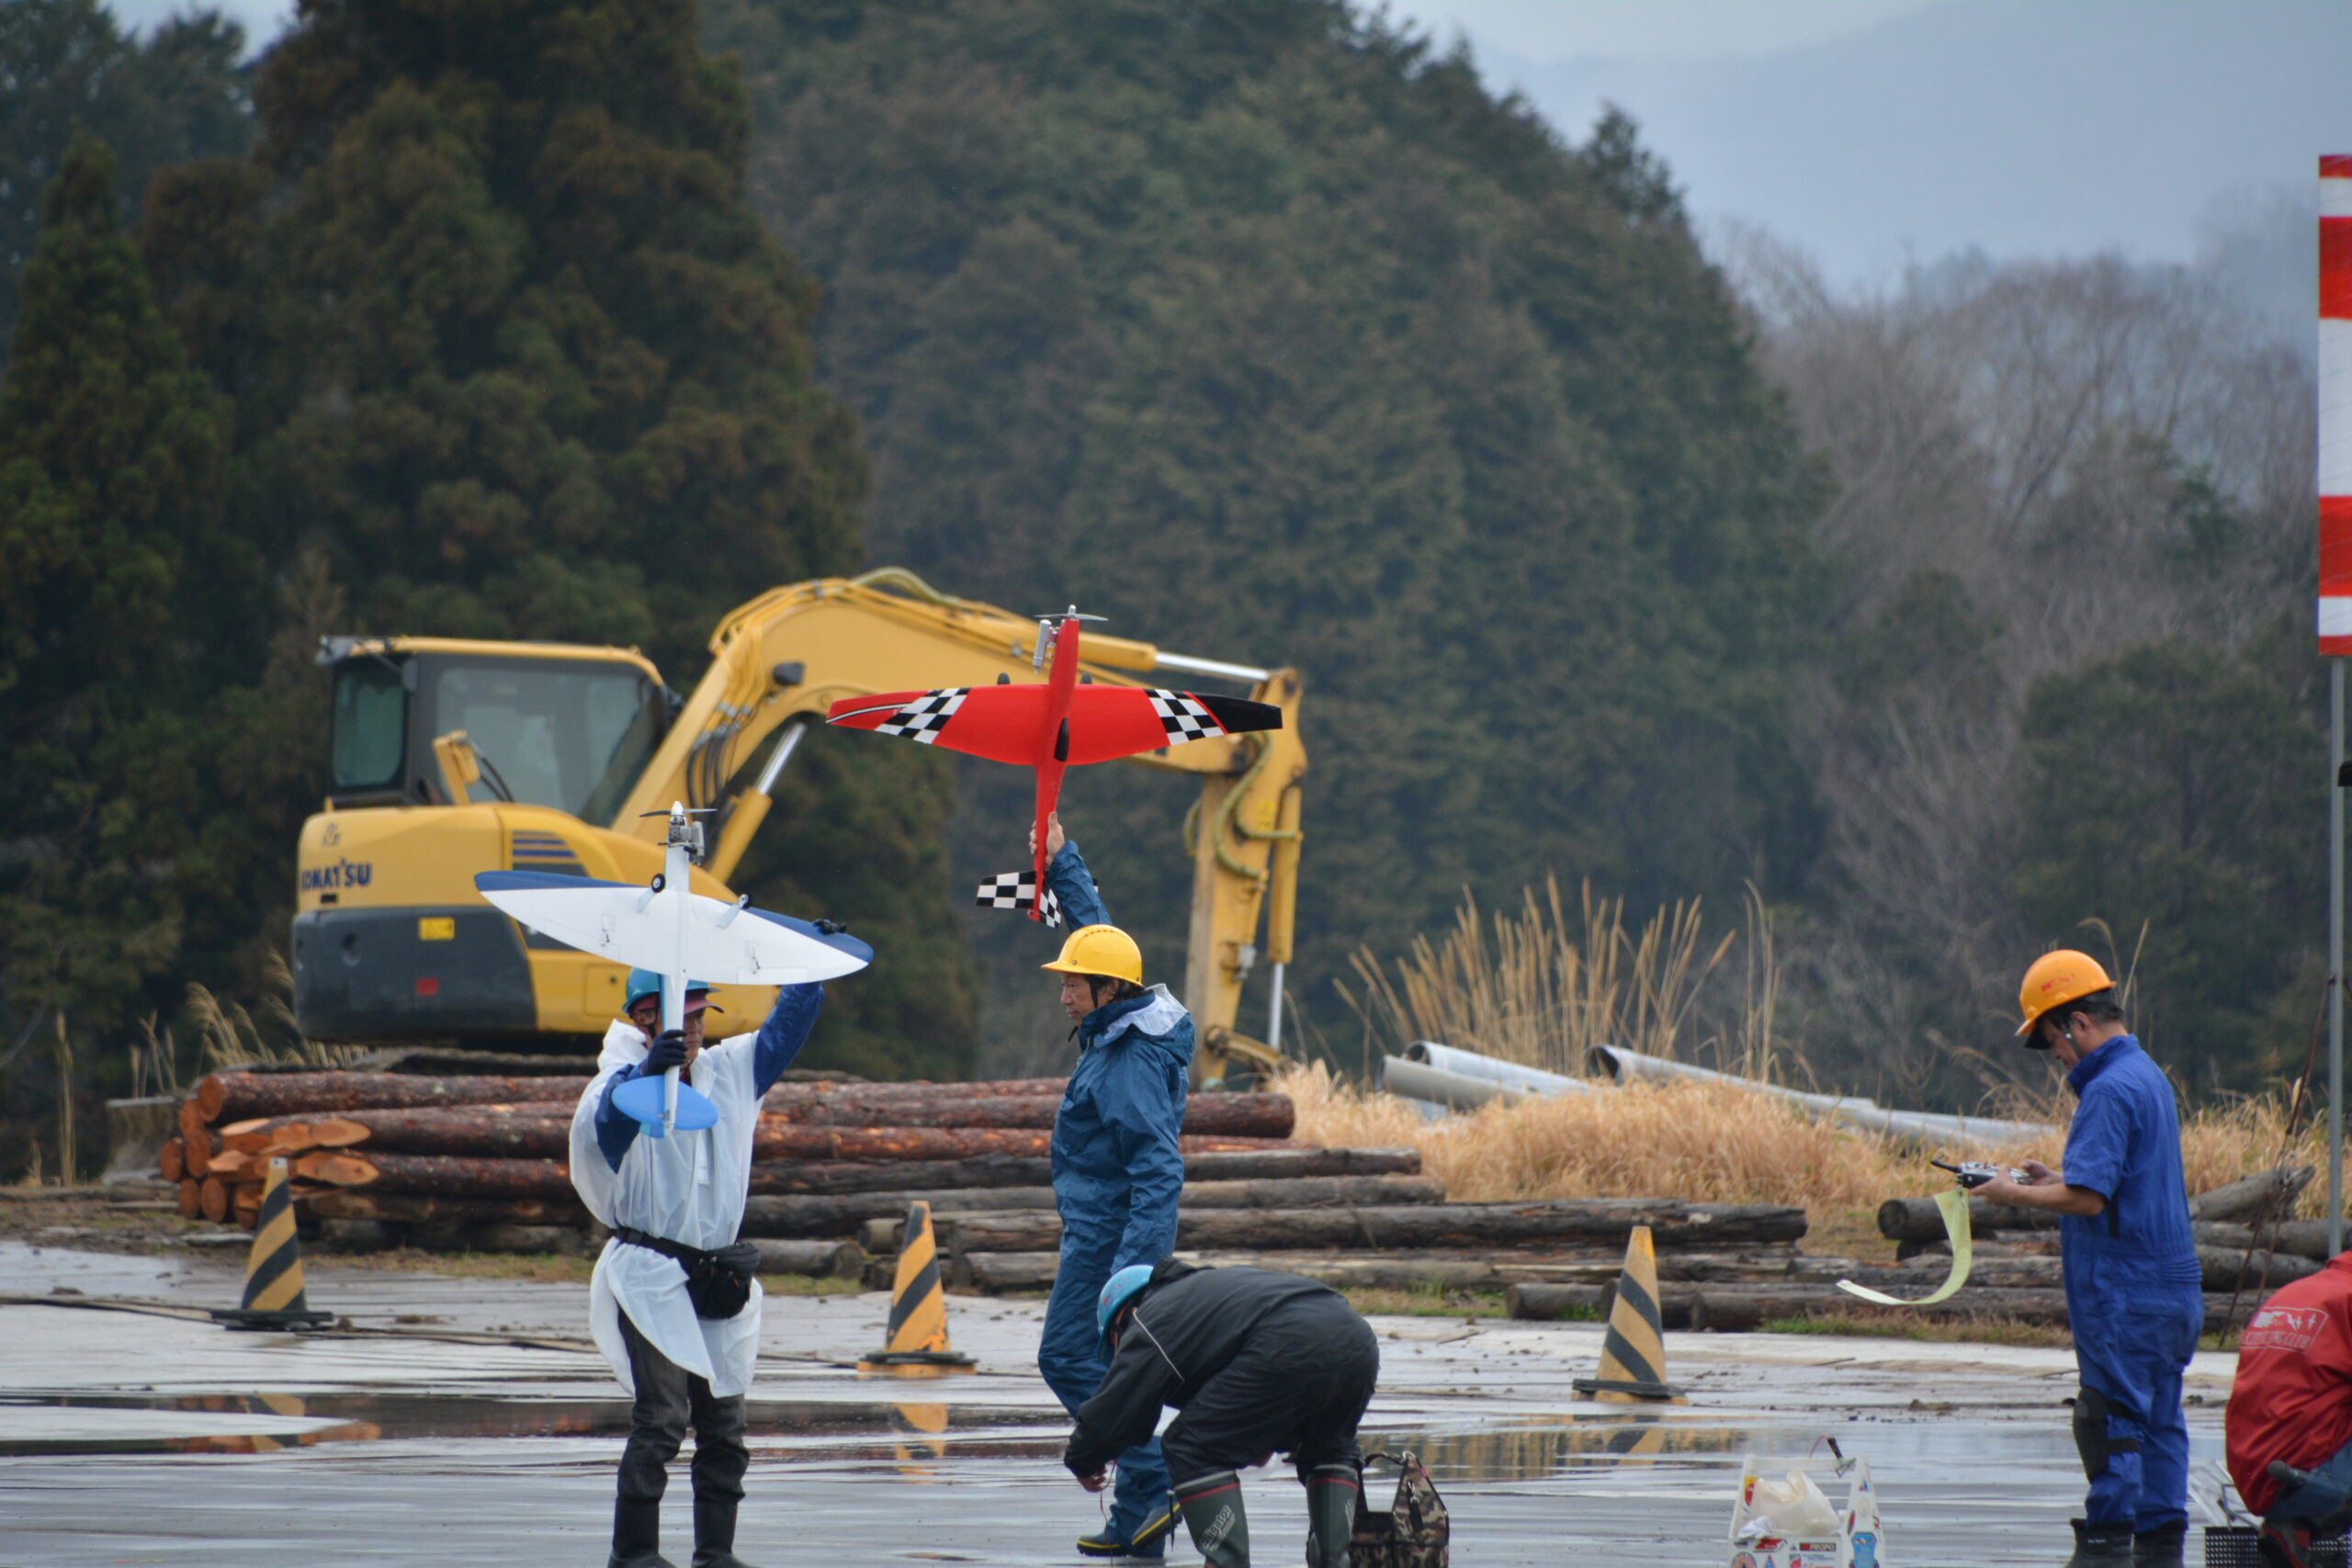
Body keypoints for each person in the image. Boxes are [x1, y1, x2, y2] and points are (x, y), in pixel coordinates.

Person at [571, 965, 829, 1568]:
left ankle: (716, 1552)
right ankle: (633, 1553)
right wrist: (648, 1071)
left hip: (717, 1273)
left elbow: (783, 1034)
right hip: (649, 1273)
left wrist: (807, 973)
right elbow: (606, 1129)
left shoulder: (731, 1071)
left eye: (697, 1016)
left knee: (724, 1426)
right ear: (644, 1017)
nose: (691, 1027)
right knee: (661, 1419)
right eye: (679, 1016)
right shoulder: (614, 1083)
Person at [1975, 951, 2203, 1568]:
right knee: (2160, 1419)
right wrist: (2056, 1174)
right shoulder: (2148, 1075)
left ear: (2078, 1022)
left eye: (2053, 1040)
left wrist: (2010, 1192)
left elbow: (2089, 1196)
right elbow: (2115, 1180)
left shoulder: (2106, 1089)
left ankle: (2104, 1548)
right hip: (2171, 1289)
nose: (2056, 1056)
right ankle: (2161, 1549)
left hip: (2124, 1293)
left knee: (2111, 1421)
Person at [1033, 809, 1190, 1559]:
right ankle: (1140, 1512)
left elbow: (1159, 1167)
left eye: (1072, 985)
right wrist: (1063, 861)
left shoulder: (1126, 1061)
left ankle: (1152, 1477)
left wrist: (1132, 1277)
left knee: (1066, 1356)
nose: (1063, 994)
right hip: (1101, 1234)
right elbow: (1098, 933)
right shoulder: (1119, 1016)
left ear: (1105, 991)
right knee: (1116, 1373)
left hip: (1109, 1244)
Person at [1066, 1258, 1380, 1568]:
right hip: (1358, 1340)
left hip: (1287, 1341)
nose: (1119, 1352)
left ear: (1127, 1314)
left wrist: (1083, 1458)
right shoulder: (1208, 1299)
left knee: (1191, 1447)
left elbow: (1119, 1404)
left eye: (1115, 1342)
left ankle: (1227, 1562)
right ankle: (1335, 1560)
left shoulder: (1153, 1314)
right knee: (1329, 1447)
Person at [2224, 1251, 2352, 1566]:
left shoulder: (2299, 1291)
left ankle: (2298, 1527)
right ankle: (2307, 1518)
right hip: (2306, 1474)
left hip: (2256, 1472)